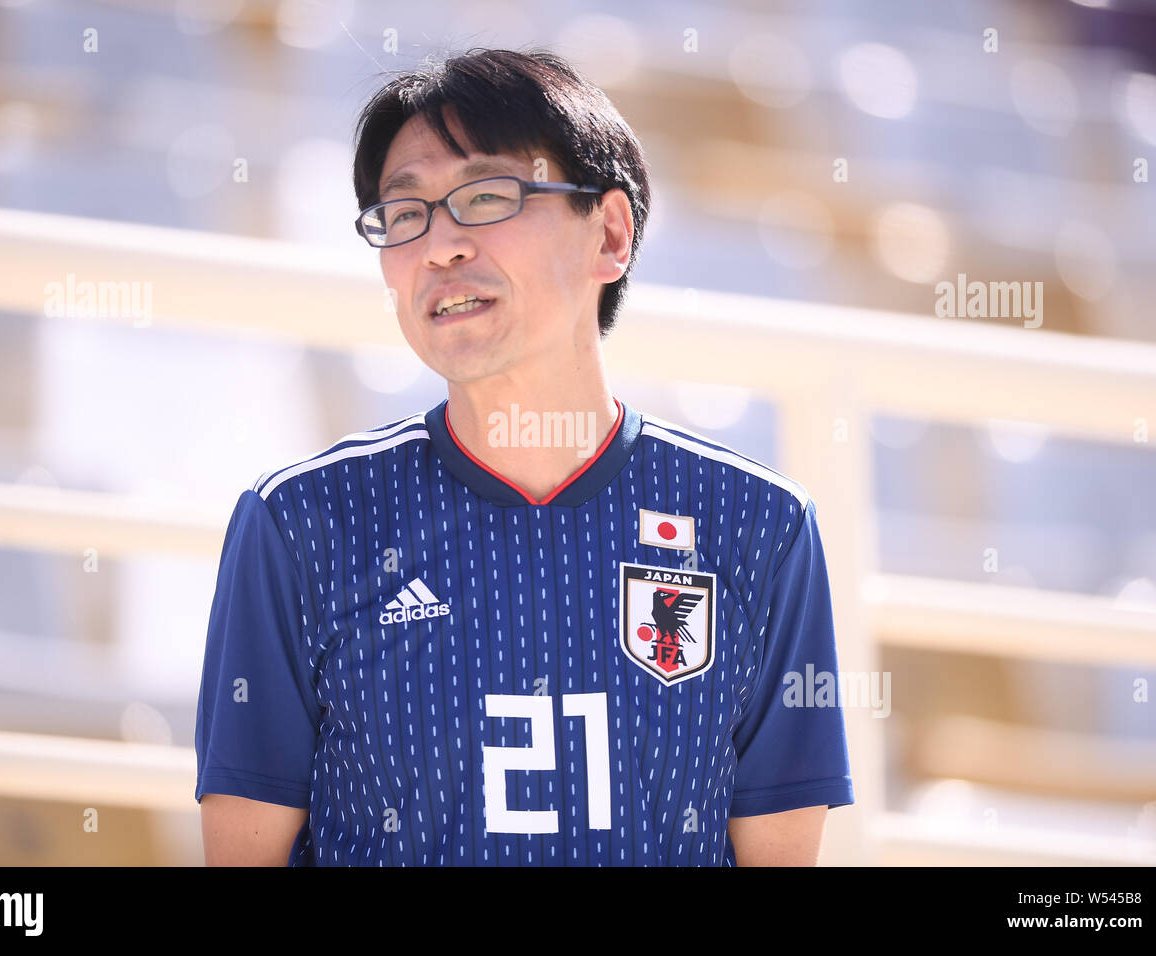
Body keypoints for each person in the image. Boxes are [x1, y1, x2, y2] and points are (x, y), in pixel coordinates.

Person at [195, 47, 853, 866]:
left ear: (609, 233)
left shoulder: (761, 526)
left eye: (485, 196)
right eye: (405, 215)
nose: (438, 246)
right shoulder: (297, 524)